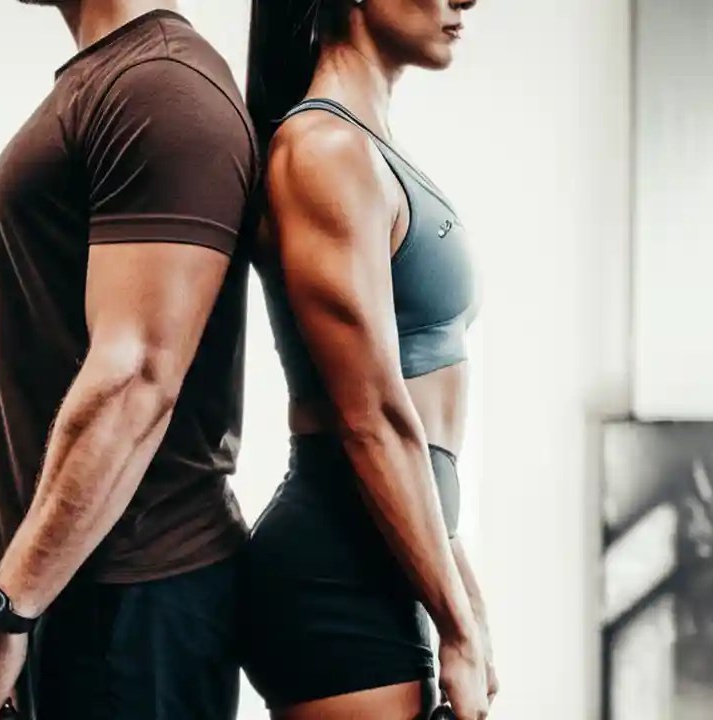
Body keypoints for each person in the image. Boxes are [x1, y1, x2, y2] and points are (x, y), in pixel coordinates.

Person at [0, 2, 257, 719]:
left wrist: (10, 609)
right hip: (66, 591)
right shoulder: (114, 81)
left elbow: (136, 381)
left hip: (134, 609)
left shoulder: (162, 90)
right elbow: (48, 352)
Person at [241, 1, 498, 719]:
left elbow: (413, 424)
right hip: (337, 576)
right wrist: (454, 626)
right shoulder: (323, 150)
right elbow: (371, 416)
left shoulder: (364, 147)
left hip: (395, 560)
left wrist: (458, 588)